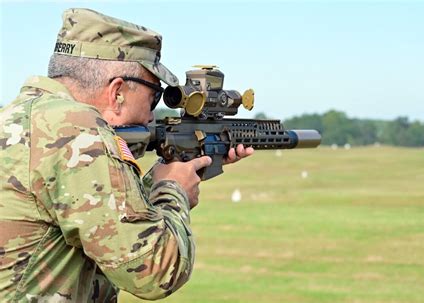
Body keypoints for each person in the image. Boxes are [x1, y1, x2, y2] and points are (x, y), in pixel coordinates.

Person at [0, 8, 253, 302]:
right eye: (154, 95)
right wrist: (172, 191)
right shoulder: (81, 131)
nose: (151, 115)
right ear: (117, 92)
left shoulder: (20, 118)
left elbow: (88, 216)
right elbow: (155, 271)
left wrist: (163, 176)